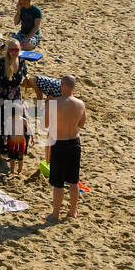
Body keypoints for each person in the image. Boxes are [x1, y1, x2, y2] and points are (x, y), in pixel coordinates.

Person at [46, 74, 86, 223]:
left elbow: (46, 124)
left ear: (62, 86)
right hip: (74, 143)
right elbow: (81, 124)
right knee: (74, 181)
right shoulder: (80, 104)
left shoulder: (55, 103)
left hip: (60, 143)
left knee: (58, 182)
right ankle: (72, 211)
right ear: (74, 87)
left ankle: (55, 213)